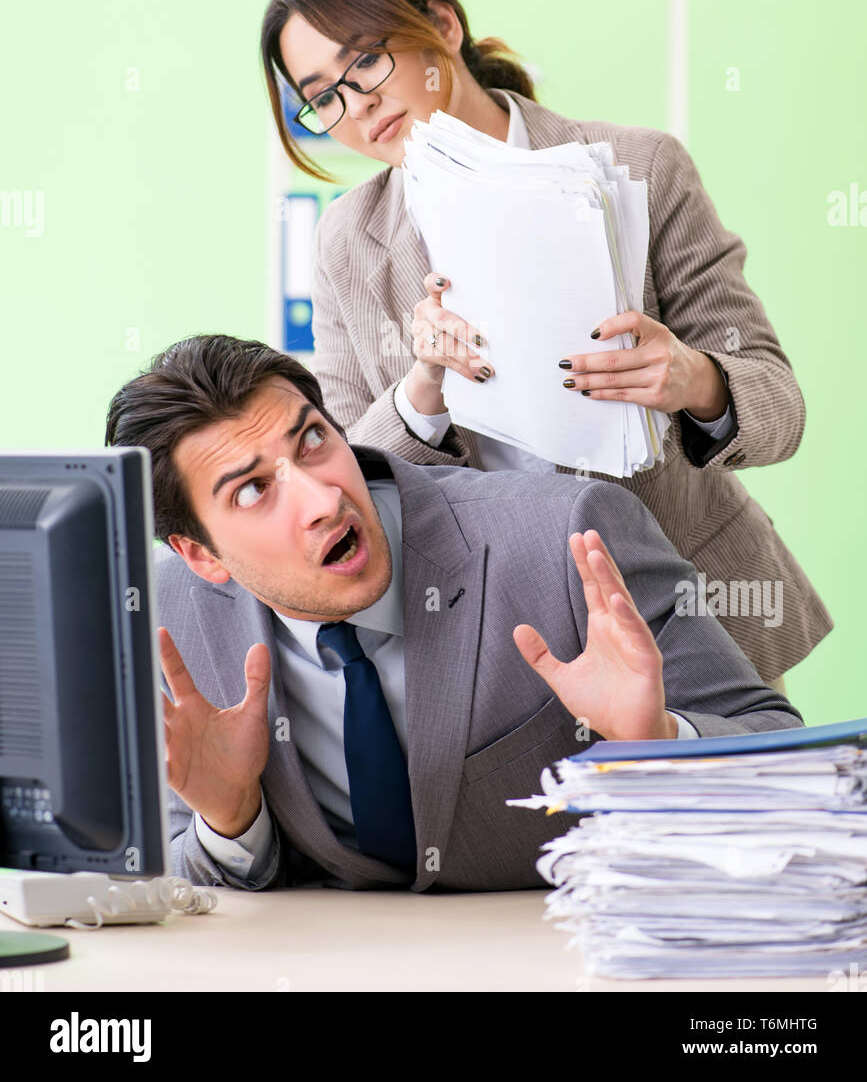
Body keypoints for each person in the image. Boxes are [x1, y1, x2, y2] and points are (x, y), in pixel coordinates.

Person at [260, 0, 832, 686]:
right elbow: (346, 481)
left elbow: (778, 407)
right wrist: (420, 393)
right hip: (494, 645)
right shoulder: (347, 242)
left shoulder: (641, 167)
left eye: (364, 59)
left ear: (442, 26)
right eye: (322, 95)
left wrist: (694, 379)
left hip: (689, 616)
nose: (356, 105)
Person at [105, 334, 802, 893]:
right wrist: (231, 819)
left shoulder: (567, 538)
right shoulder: (174, 613)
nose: (321, 499)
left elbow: (779, 754)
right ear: (201, 556)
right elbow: (187, 873)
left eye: (312, 439)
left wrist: (652, 739)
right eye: (254, 490)